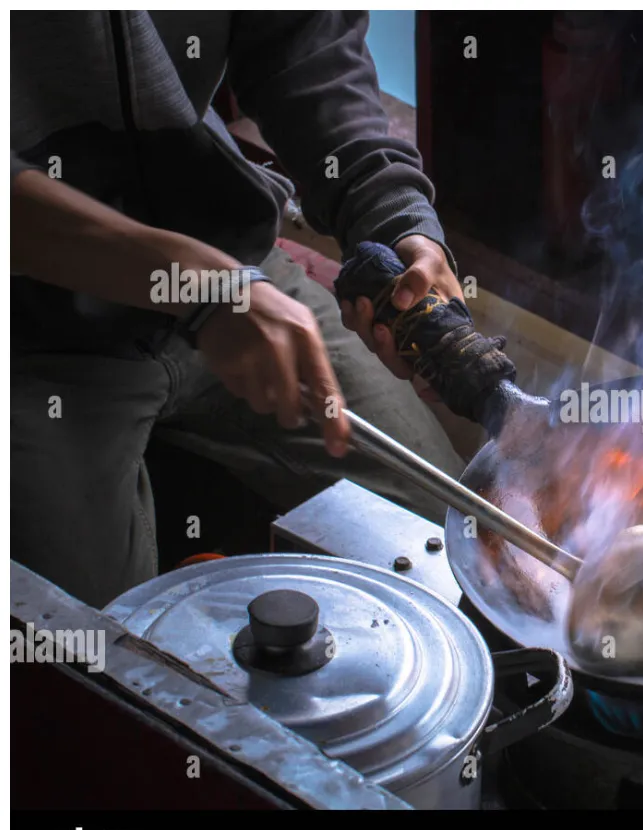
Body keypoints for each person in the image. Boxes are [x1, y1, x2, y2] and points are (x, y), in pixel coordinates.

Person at [11, 11, 469, 606]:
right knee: (89, 665)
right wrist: (192, 285)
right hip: (31, 329)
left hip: (233, 267)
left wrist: (395, 215)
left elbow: (304, 43)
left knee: (452, 538)